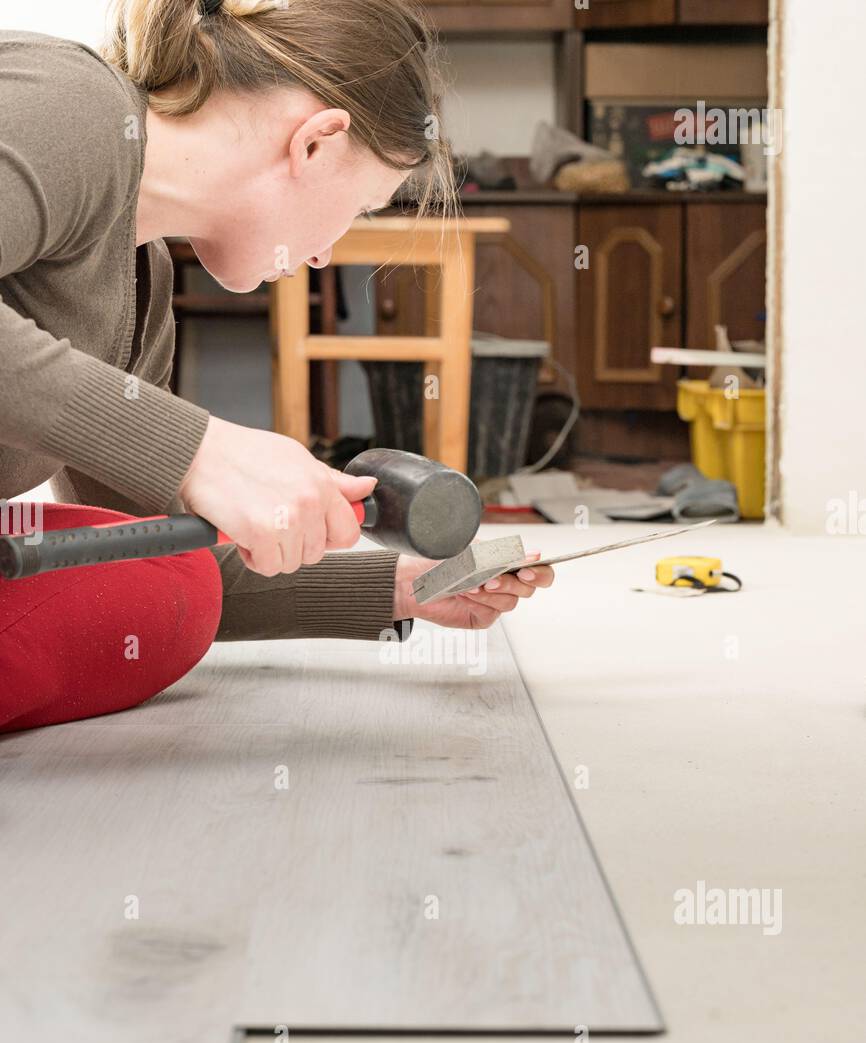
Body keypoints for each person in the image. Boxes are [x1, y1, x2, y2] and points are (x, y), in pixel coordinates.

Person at [0, 0, 552, 733]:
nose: (326, 253)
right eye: (360, 206)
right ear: (317, 143)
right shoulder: (65, 105)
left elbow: (156, 550)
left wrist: (398, 587)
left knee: (164, 588)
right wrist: (197, 448)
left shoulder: (142, 279)